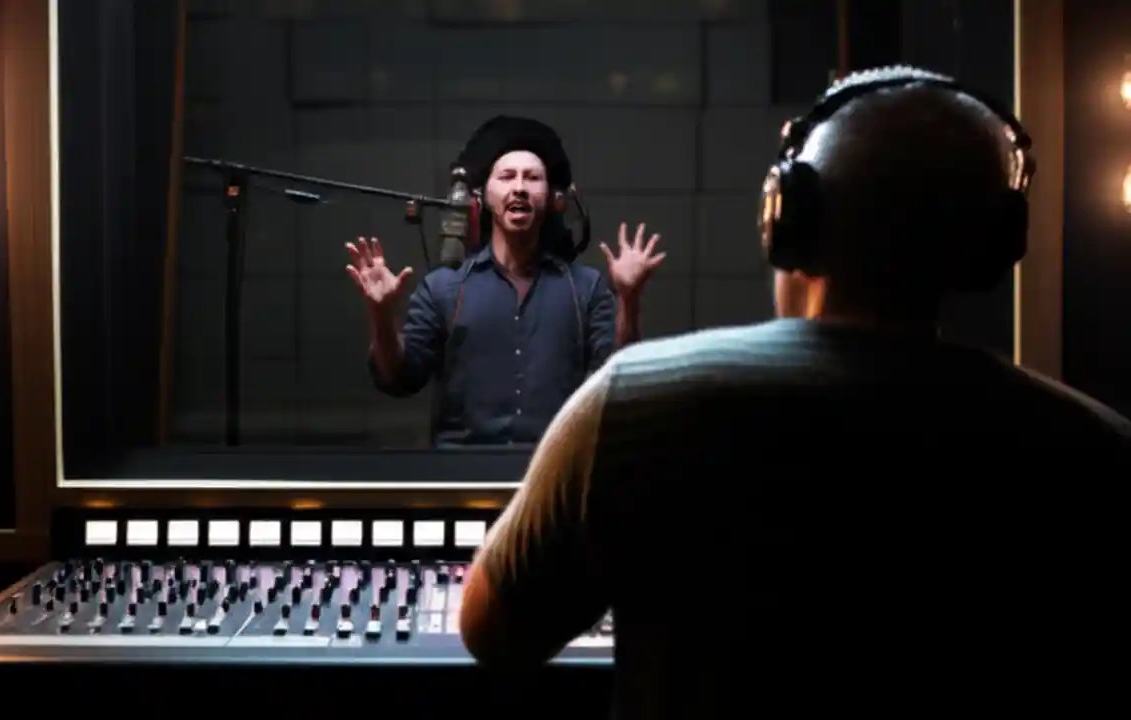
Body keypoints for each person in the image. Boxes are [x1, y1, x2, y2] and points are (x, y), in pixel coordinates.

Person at [460, 66, 1131, 717]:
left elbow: (493, 633)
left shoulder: (636, 399)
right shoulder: (1099, 446)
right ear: (995, 243)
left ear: (785, 217)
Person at [345, 116, 666, 447]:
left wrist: (629, 298)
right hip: (460, 482)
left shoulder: (585, 288)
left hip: (553, 476)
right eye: (507, 176)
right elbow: (397, 378)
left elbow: (618, 382)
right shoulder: (443, 288)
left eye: (532, 178)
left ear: (554, 199)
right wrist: (381, 315)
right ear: (482, 197)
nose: (520, 188)